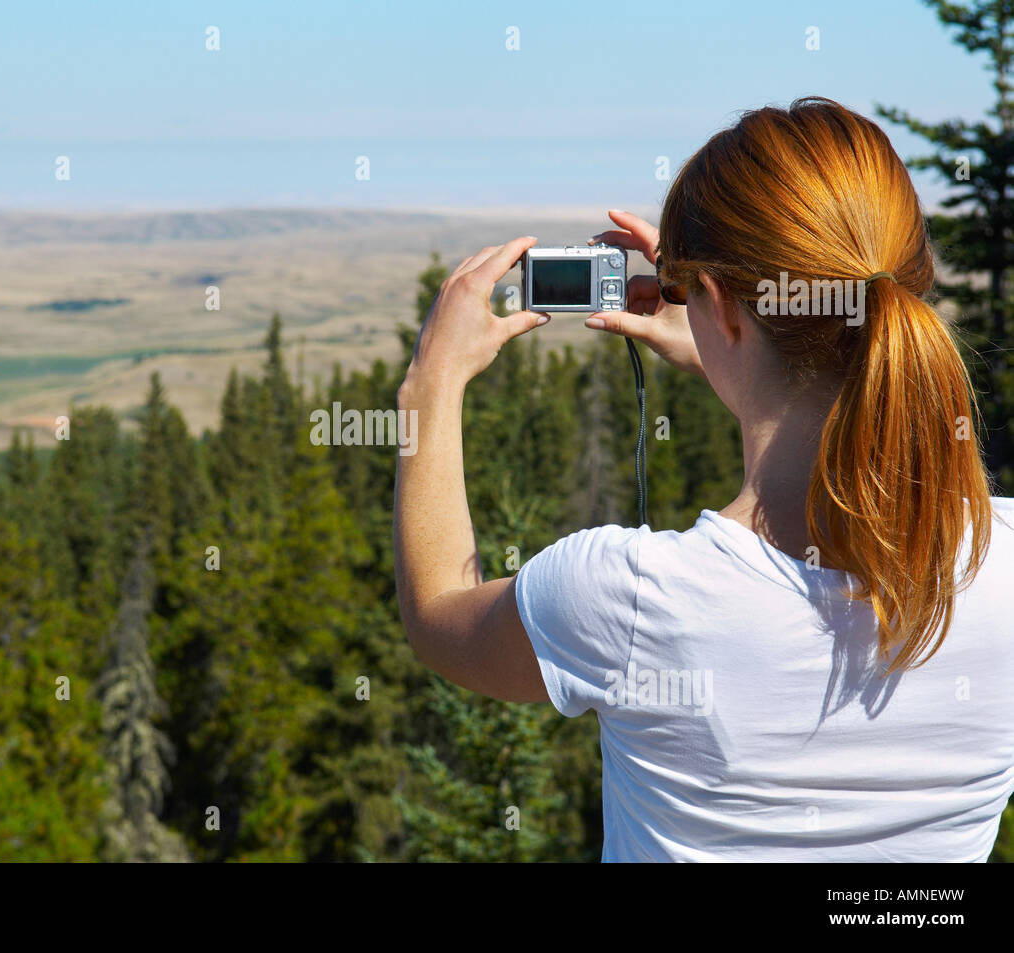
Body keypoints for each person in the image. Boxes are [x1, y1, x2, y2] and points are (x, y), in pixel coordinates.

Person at [392, 97, 1014, 862]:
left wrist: (429, 387)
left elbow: (438, 612)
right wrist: (737, 352)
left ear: (719, 310)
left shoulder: (630, 599)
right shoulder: (1004, 564)